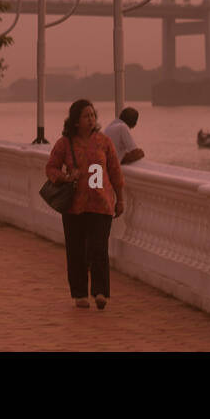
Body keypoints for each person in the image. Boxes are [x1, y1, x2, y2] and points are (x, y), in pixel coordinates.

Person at [45, 99, 124, 309]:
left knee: (99, 249)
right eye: (86, 116)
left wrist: (120, 198)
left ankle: (100, 292)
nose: (91, 120)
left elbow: (115, 172)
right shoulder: (65, 143)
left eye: (92, 115)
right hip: (74, 206)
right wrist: (65, 177)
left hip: (101, 203)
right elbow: (51, 168)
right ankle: (79, 293)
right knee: (76, 250)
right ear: (76, 121)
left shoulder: (104, 142)